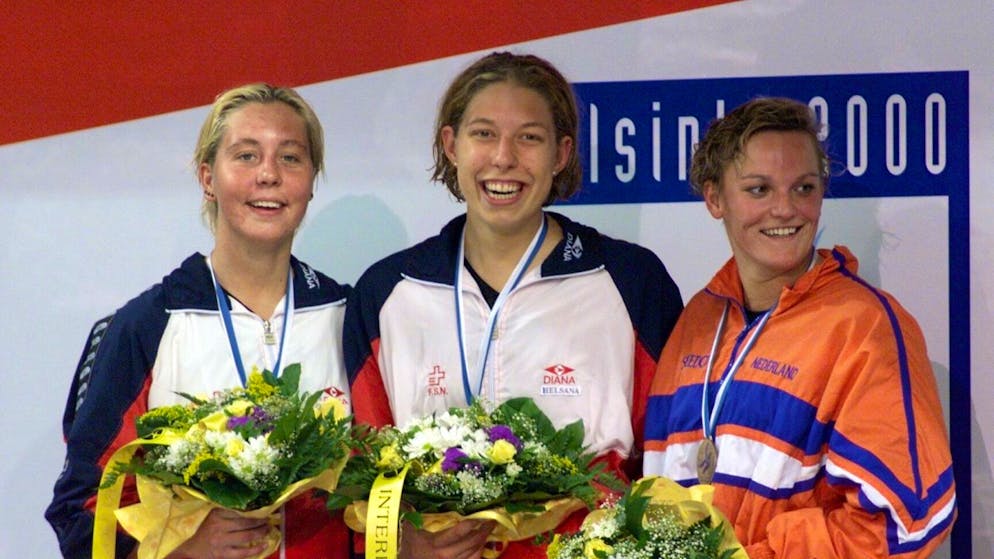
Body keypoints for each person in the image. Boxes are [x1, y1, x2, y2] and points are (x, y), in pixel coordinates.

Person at [344, 51, 684, 558]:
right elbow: (361, 470)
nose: (504, 157)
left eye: (529, 137)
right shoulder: (387, 291)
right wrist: (398, 542)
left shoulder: (631, 281)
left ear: (561, 154)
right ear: (451, 145)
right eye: (483, 133)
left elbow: (671, 463)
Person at [45, 83, 352, 559]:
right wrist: (179, 549)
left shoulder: (349, 319)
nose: (268, 174)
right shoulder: (147, 325)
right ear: (208, 177)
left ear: (312, 180)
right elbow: (80, 509)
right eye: (246, 156)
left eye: (290, 157)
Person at [643, 97, 957, 558]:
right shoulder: (699, 319)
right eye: (759, 190)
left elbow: (905, 520)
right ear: (714, 198)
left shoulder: (864, 327)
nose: (786, 209)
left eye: (804, 188)